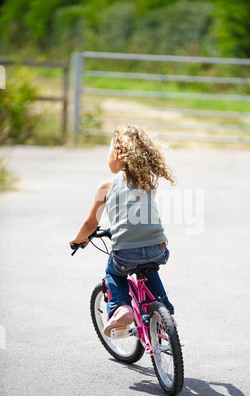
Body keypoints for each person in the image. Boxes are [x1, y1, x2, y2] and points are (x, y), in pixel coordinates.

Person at [70, 125, 176, 336]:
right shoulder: (146, 182)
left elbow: (91, 224)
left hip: (126, 253)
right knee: (148, 268)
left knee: (113, 271)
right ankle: (167, 316)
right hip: (158, 248)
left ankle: (120, 307)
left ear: (117, 154)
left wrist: (77, 240)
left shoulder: (106, 186)